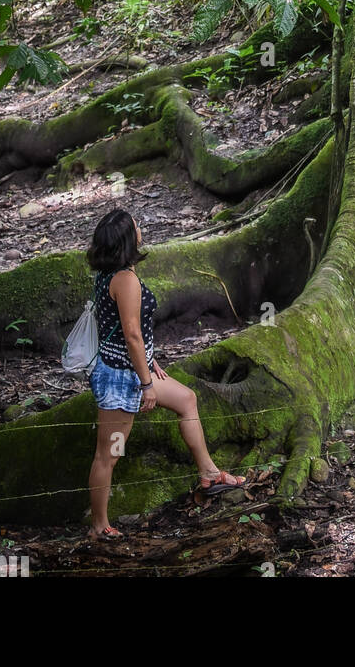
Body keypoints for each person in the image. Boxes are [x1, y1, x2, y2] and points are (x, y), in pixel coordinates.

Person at [84, 208, 244, 538]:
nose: (141, 228)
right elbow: (131, 333)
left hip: (132, 367)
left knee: (187, 399)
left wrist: (150, 360)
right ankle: (99, 526)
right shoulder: (124, 280)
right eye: (136, 225)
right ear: (129, 240)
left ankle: (209, 473)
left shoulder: (110, 274)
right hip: (121, 380)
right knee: (109, 455)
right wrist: (147, 384)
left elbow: (126, 329)